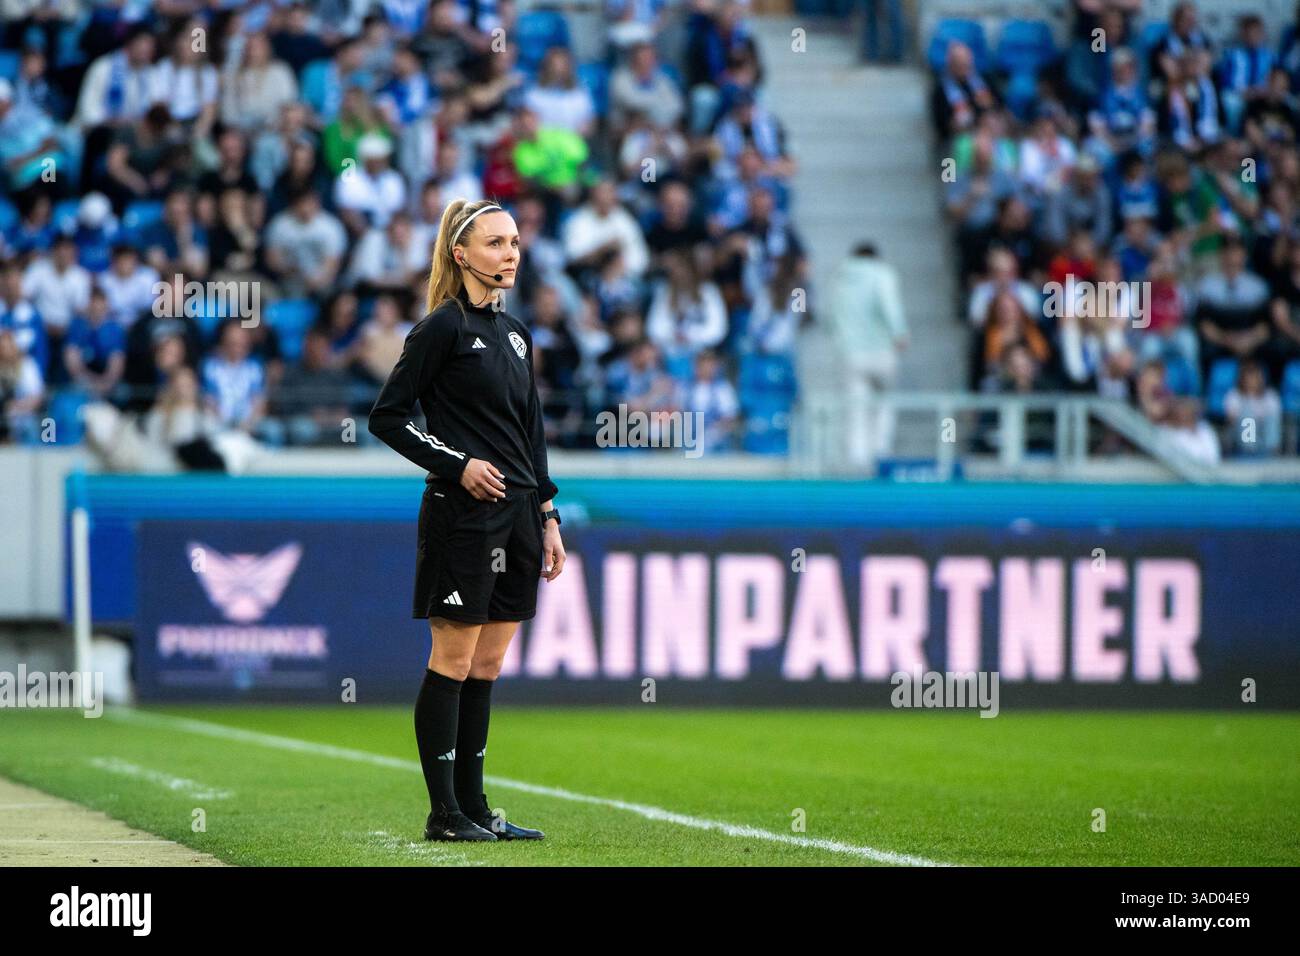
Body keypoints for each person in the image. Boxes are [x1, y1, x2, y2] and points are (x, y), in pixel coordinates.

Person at [367, 198, 566, 843]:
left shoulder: (516, 335)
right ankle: (443, 812)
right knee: (452, 659)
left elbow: (529, 431)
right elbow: (388, 417)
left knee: (487, 666)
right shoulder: (441, 329)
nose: (510, 253)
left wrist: (549, 515)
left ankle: (476, 806)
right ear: (462, 254)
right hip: (463, 515)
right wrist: (458, 466)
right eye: (496, 243)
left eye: (514, 242)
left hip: (519, 517)